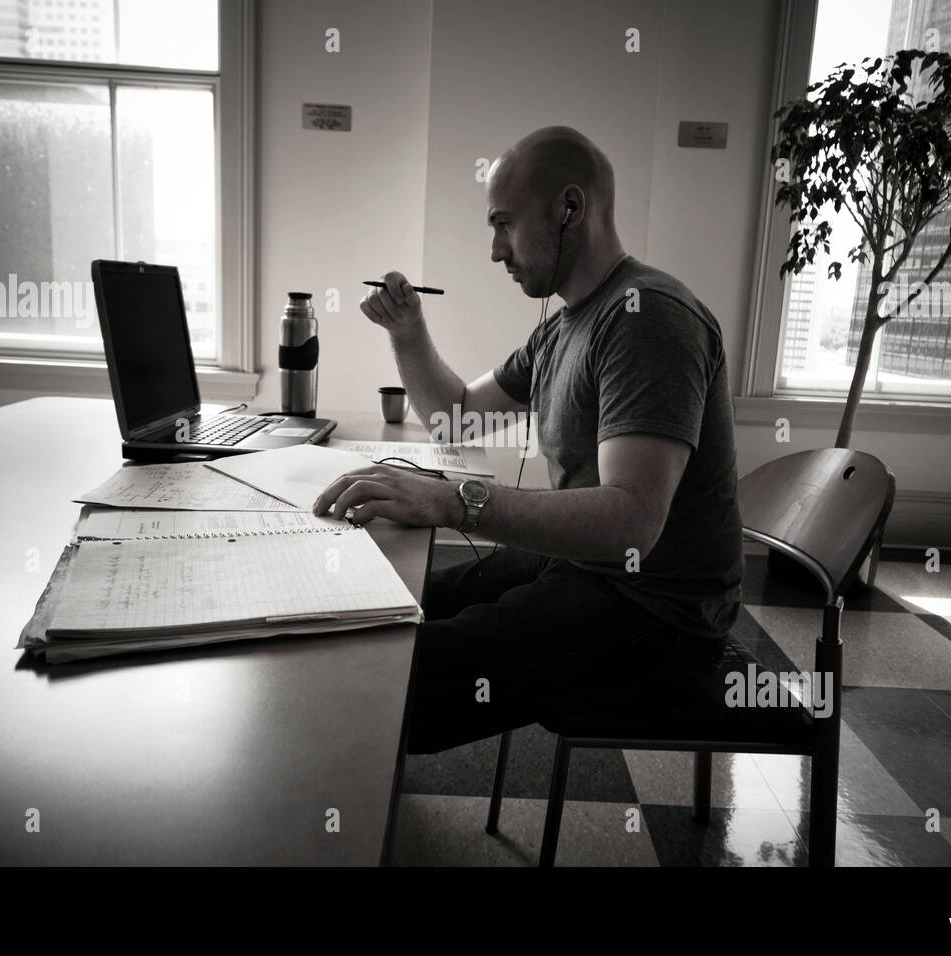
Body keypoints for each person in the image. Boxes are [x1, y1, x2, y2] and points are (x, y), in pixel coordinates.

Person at [312, 126, 743, 754]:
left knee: (390, 671)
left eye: (504, 224)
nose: (495, 251)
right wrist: (407, 333)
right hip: (593, 571)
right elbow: (457, 417)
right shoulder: (564, 328)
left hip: (660, 615)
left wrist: (454, 500)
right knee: (396, 607)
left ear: (570, 208)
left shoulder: (648, 319)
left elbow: (632, 521)